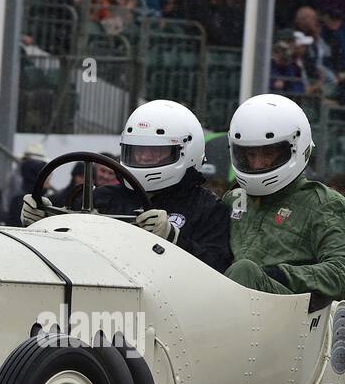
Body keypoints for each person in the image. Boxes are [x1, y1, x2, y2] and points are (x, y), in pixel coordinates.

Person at [20, 100, 232, 272]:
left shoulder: (208, 208)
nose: (146, 158)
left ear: (186, 151)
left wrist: (173, 238)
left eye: (156, 152)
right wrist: (44, 221)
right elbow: (65, 251)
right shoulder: (103, 198)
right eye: (138, 151)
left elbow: (218, 267)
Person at [223, 94, 345, 298]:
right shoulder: (234, 199)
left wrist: (282, 275)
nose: (257, 164)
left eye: (268, 154)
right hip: (225, 303)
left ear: (296, 148)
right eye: (250, 155)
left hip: (287, 310)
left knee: (245, 271)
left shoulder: (325, 204)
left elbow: (344, 271)